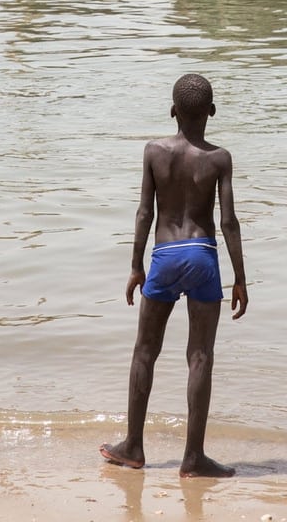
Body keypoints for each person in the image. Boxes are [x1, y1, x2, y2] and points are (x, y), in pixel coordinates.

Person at [100, 73, 248, 479]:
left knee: (145, 351)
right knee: (200, 357)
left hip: (164, 254)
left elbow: (145, 213)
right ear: (212, 113)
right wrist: (240, 278)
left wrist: (135, 265)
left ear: (172, 112)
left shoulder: (154, 152)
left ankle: (132, 447)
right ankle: (194, 458)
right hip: (203, 255)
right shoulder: (220, 158)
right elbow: (229, 221)